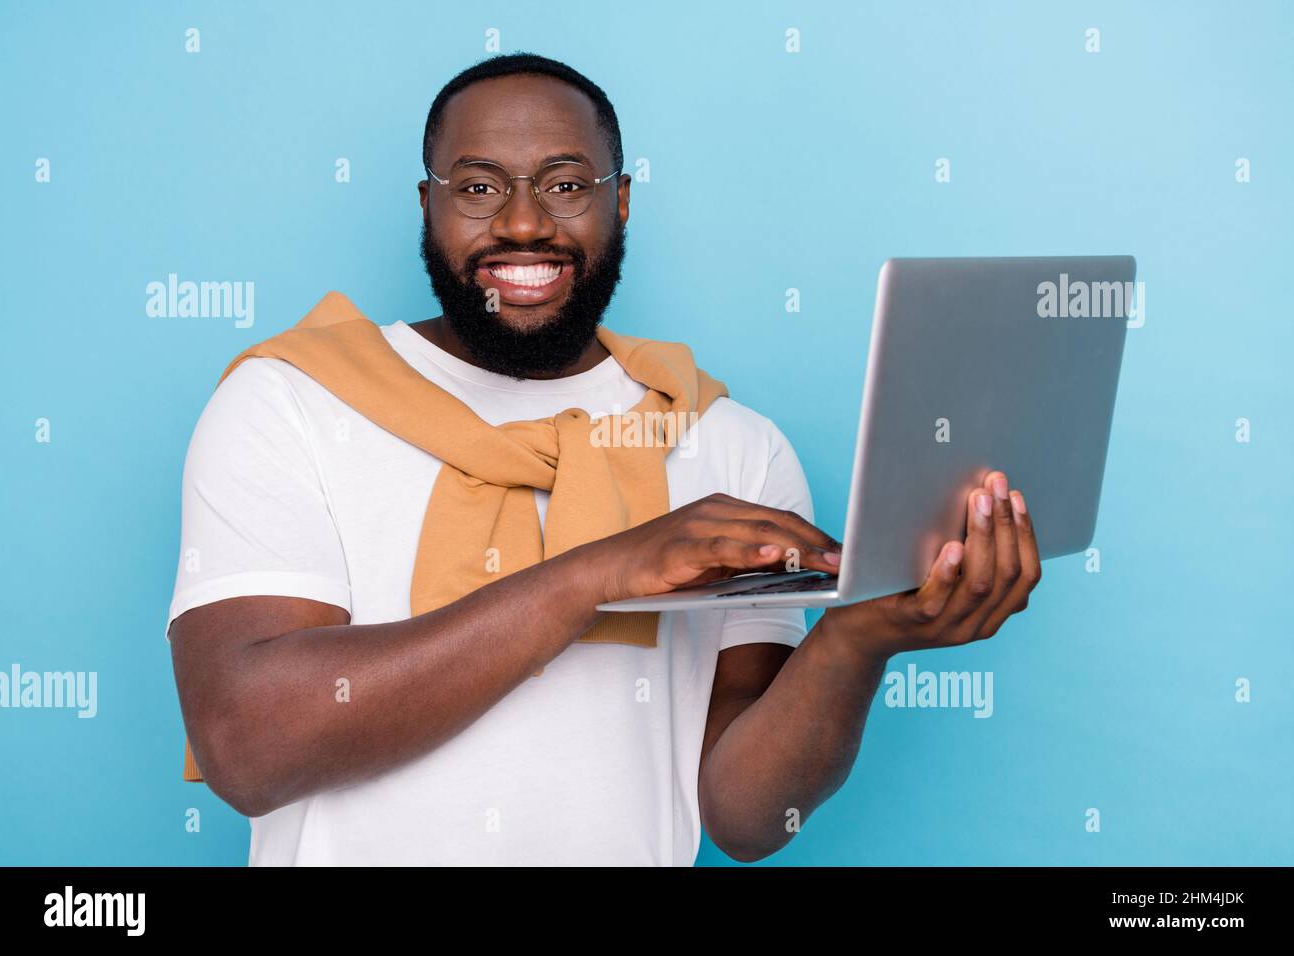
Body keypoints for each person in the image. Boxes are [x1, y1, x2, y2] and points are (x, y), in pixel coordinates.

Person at [166, 52, 1040, 866]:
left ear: (621, 202)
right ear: (426, 206)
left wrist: (858, 638)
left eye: (566, 184)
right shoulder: (292, 403)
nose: (522, 223)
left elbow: (743, 817)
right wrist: (598, 573)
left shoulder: (729, 447)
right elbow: (249, 747)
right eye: (477, 187)